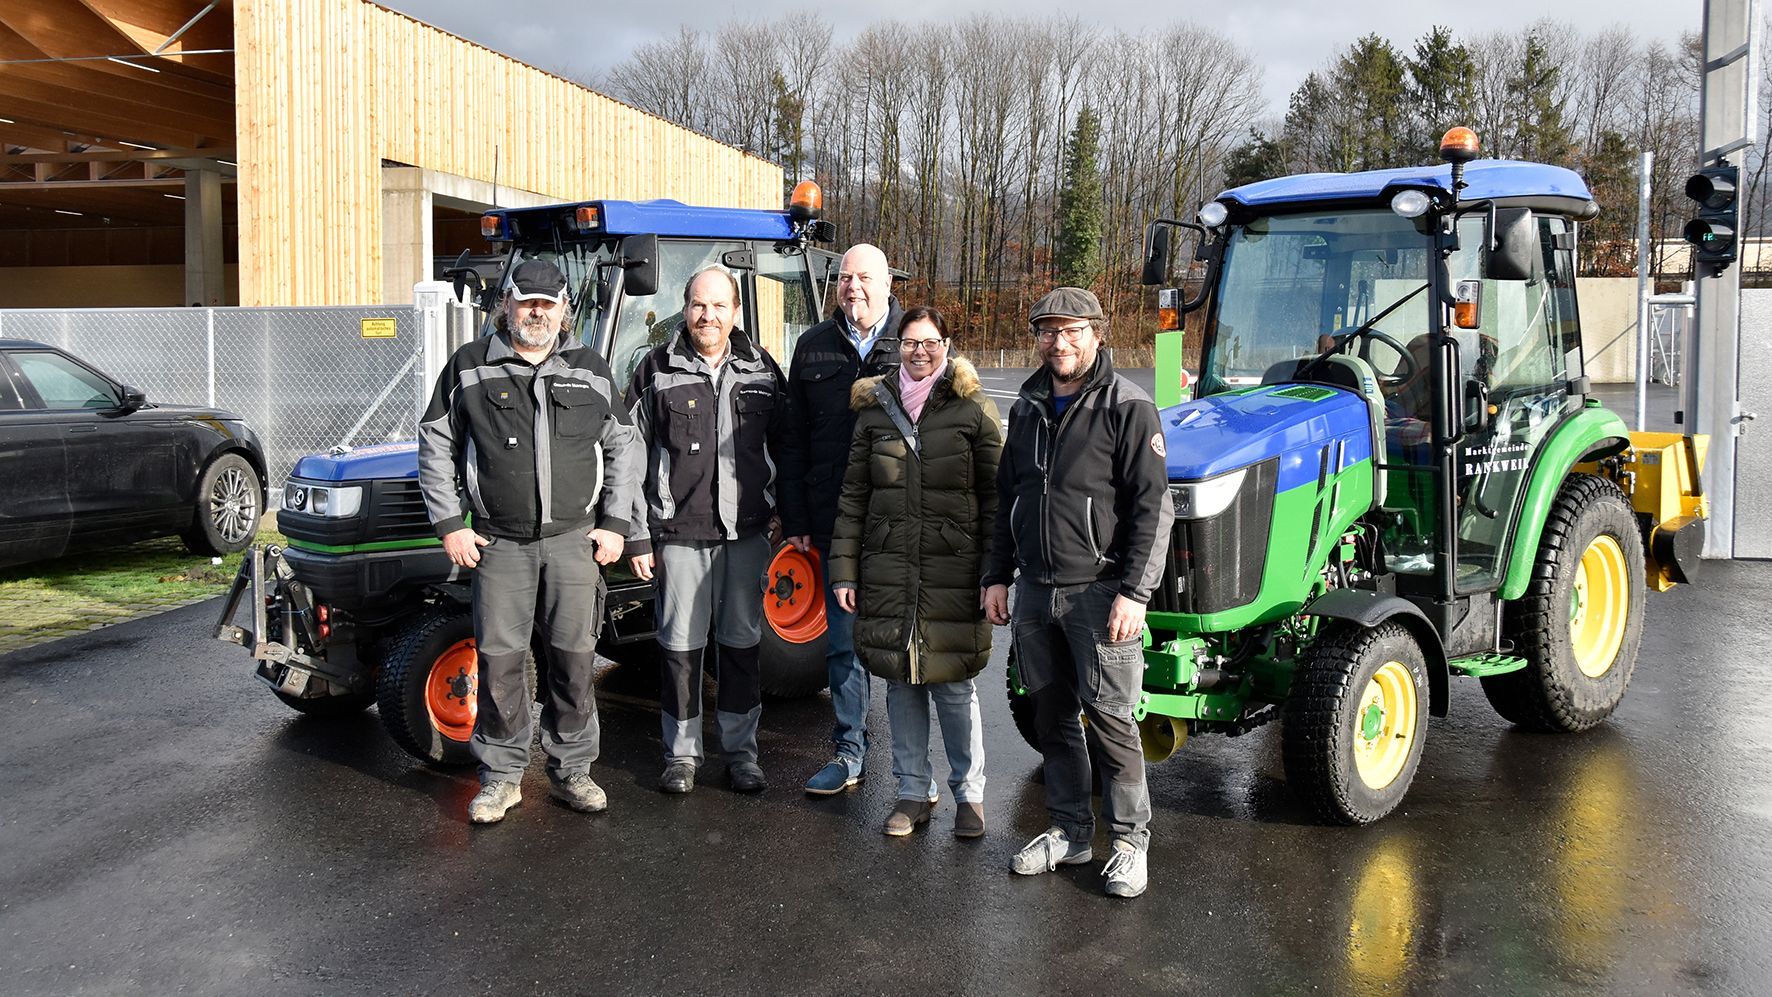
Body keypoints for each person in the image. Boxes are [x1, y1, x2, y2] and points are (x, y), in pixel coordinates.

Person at [416, 258, 641, 824]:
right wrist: (450, 523)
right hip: (499, 546)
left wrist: (615, 524)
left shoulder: (590, 370)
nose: (536, 311)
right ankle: (502, 776)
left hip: (572, 544)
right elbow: (435, 445)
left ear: (563, 309)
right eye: (526, 301)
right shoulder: (469, 368)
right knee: (501, 664)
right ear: (507, 304)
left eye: (547, 303)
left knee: (573, 660)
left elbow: (624, 446)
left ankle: (571, 770)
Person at [980, 286, 1175, 898]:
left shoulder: (1127, 406)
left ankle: (1130, 841)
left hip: (1100, 590)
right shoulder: (1029, 407)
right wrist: (995, 574)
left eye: (1071, 331)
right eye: (1048, 331)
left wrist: (1135, 594)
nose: (1058, 342)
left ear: (1097, 334)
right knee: (1053, 714)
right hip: (1037, 589)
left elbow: (1153, 510)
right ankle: (1069, 831)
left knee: (1112, 718)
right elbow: (1007, 499)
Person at [827, 307, 1002, 838]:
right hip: (888, 569)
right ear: (896, 346)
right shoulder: (874, 410)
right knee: (900, 683)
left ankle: (968, 797)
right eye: (909, 342)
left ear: (947, 345)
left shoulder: (973, 409)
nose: (918, 351)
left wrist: (995, 572)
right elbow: (854, 496)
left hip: (955, 569)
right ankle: (910, 791)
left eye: (929, 341)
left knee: (953, 686)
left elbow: (997, 497)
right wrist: (844, 571)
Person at [626, 266, 791, 794]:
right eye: (699, 305)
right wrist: (634, 532)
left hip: (745, 534)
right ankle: (681, 755)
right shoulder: (655, 369)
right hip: (678, 534)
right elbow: (628, 455)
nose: (708, 316)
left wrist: (785, 516)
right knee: (680, 648)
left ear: (736, 312)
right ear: (686, 308)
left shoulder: (762, 370)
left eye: (719, 306)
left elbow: (789, 447)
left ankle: (742, 753)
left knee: (741, 646)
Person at [780, 244, 904, 796]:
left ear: (886, 283)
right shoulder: (811, 348)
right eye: (845, 277)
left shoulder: (915, 344)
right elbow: (793, 441)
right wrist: (796, 516)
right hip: (835, 527)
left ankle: (912, 769)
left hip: (901, 528)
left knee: (904, 647)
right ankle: (850, 750)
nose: (853, 286)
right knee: (844, 645)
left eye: (865, 277)